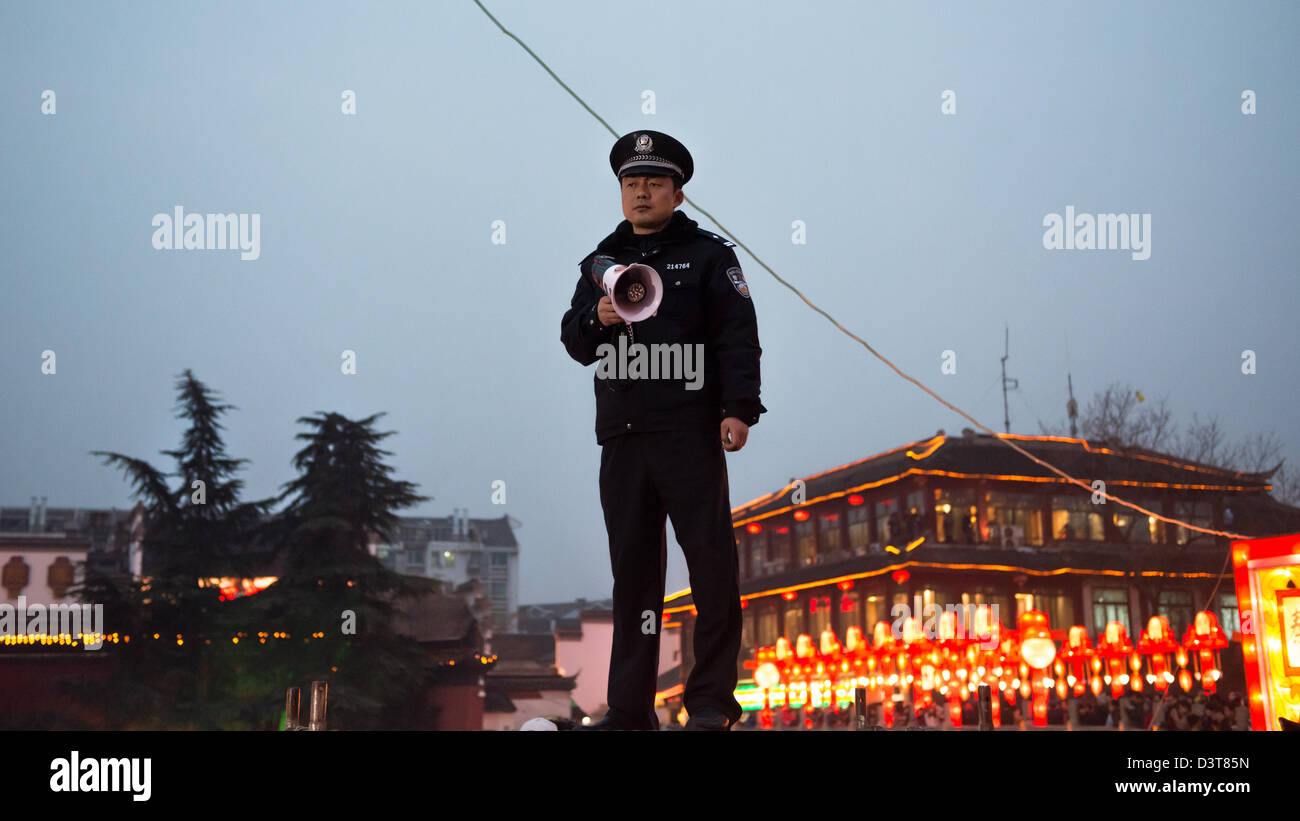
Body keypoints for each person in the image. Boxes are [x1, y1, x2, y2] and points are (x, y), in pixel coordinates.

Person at [561, 130, 766, 731]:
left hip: (689, 433)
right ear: (620, 191)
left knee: (711, 568)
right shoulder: (599, 262)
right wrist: (595, 316)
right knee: (633, 576)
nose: (641, 192)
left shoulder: (710, 257)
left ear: (678, 192)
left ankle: (708, 703)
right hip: (622, 436)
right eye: (631, 183)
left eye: (654, 182)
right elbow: (573, 343)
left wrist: (738, 409)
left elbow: (737, 335)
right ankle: (628, 710)